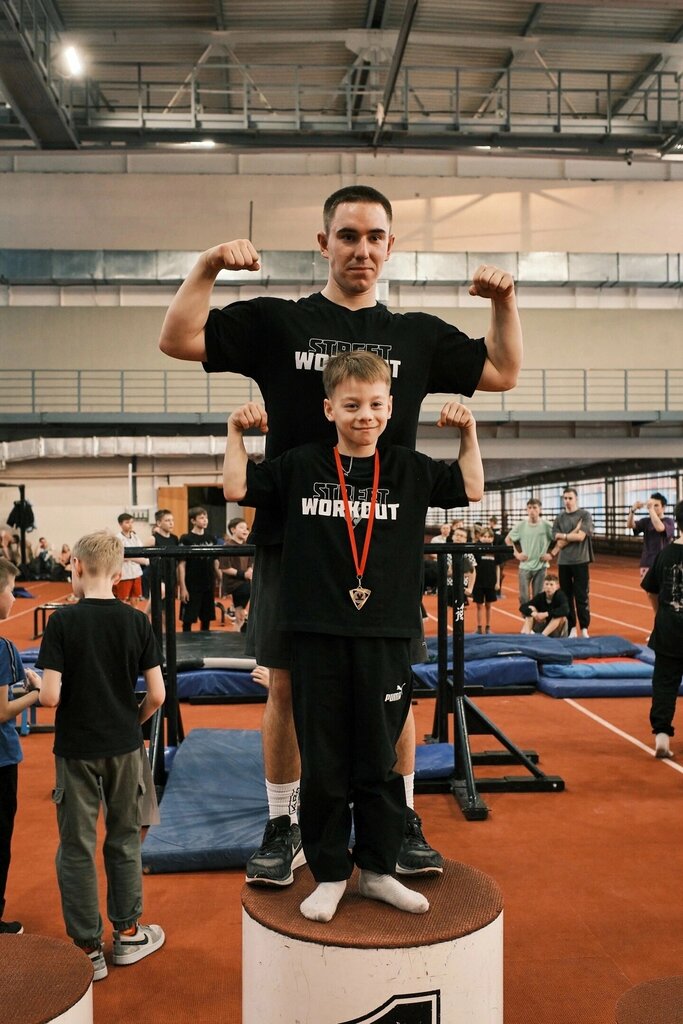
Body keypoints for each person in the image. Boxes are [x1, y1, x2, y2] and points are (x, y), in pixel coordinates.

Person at [158, 182, 522, 885]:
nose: (361, 249)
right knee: (288, 689)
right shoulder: (276, 322)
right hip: (294, 543)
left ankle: (403, 819)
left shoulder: (415, 334)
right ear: (323, 243)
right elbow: (177, 338)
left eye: (374, 237)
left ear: (391, 246)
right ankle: (282, 823)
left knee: (396, 690)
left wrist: (504, 302)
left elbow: (502, 370)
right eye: (347, 235)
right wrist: (206, 266)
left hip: (381, 545)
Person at [224, 350, 484, 922]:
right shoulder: (300, 465)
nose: (364, 415)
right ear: (328, 408)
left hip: (386, 633)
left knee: (378, 759)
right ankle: (330, 873)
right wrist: (235, 432)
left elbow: (471, 488)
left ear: (390, 408)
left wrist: (469, 433)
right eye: (351, 405)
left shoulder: (410, 468)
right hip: (316, 633)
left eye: (374, 404)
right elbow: (235, 488)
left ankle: (378, 869)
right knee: (325, 759)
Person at [35, 531, 166, 980]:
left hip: (75, 749)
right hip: (123, 746)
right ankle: (127, 934)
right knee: (124, 838)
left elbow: (51, 698)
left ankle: (88, 949)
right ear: (119, 573)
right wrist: (134, 721)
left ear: (75, 567)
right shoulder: (136, 622)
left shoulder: (62, 623)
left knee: (76, 845)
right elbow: (158, 694)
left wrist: (38, 687)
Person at [0, 557, 42, 935]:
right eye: (11, 590)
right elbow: (0, 711)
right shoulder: (1, 648)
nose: (14, 597)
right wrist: (35, 693)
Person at [640, 499, 683, 759]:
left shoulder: (666, 554)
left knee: (665, 683)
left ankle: (662, 736)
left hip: (669, 627)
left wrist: (660, 614)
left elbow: (651, 589)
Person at [550, 487, 595, 638]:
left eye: (570, 498)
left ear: (576, 499)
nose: (567, 501)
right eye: (565, 498)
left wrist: (565, 537)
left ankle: (584, 628)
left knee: (581, 596)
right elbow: (555, 536)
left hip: (581, 561)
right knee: (567, 596)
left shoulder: (585, 515)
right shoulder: (559, 518)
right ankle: (571, 628)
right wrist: (572, 533)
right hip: (564, 562)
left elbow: (581, 537)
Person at [506, 498, 554, 611]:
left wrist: (552, 554)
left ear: (540, 509)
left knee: (538, 596)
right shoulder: (521, 525)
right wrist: (516, 554)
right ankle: (527, 618)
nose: (532, 510)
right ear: (527, 510)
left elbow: (559, 538)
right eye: (530, 508)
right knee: (524, 597)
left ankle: (536, 623)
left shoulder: (547, 525)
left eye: (535, 507)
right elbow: (508, 539)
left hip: (541, 566)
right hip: (525, 566)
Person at [178, 507, 221, 633]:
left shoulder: (211, 538)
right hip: (192, 584)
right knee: (188, 619)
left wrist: (220, 578)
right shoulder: (186, 539)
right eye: (201, 518)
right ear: (193, 521)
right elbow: (181, 564)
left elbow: (215, 561)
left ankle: (206, 646)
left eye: (206, 517)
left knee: (206, 618)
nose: (205, 520)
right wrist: (183, 587)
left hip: (208, 583)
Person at [627, 492, 674, 580]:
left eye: (656, 505)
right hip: (647, 562)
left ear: (663, 508)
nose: (653, 507)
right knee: (649, 593)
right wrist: (632, 510)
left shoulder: (669, 521)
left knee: (663, 592)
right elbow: (630, 525)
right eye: (652, 505)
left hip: (663, 563)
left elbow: (660, 528)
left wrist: (651, 509)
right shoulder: (646, 521)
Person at [219, 517, 253, 632]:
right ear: (233, 530)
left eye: (247, 528)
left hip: (245, 582)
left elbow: (250, 564)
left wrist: (249, 571)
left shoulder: (248, 545)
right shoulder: (227, 546)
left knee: (240, 616)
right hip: (234, 583)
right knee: (240, 614)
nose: (245, 530)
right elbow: (224, 568)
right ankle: (238, 612)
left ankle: (240, 616)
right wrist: (243, 574)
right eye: (242, 527)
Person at [114, 514, 149, 606]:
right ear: (120, 524)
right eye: (127, 522)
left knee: (136, 597)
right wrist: (140, 560)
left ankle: (135, 613)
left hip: (136, 572)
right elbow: (120, 556)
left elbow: (141, 550)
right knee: (123, 599)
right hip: (124, 574)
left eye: (131, 522)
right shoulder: (117, 538)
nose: (130, 524)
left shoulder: (135, 536)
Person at [472, 527, 498, 633]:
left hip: (490, 582)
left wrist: (497, 582)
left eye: (489, 537)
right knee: (479, 606)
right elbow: (472, 567)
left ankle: (488, 627)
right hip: (478, 582)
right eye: (484, 536)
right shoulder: (476, 550)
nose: (486, 539)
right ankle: (479, 627)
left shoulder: (494, 550)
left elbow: (497, 566)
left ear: (492, 538)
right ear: (480, 537)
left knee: (489, 605)